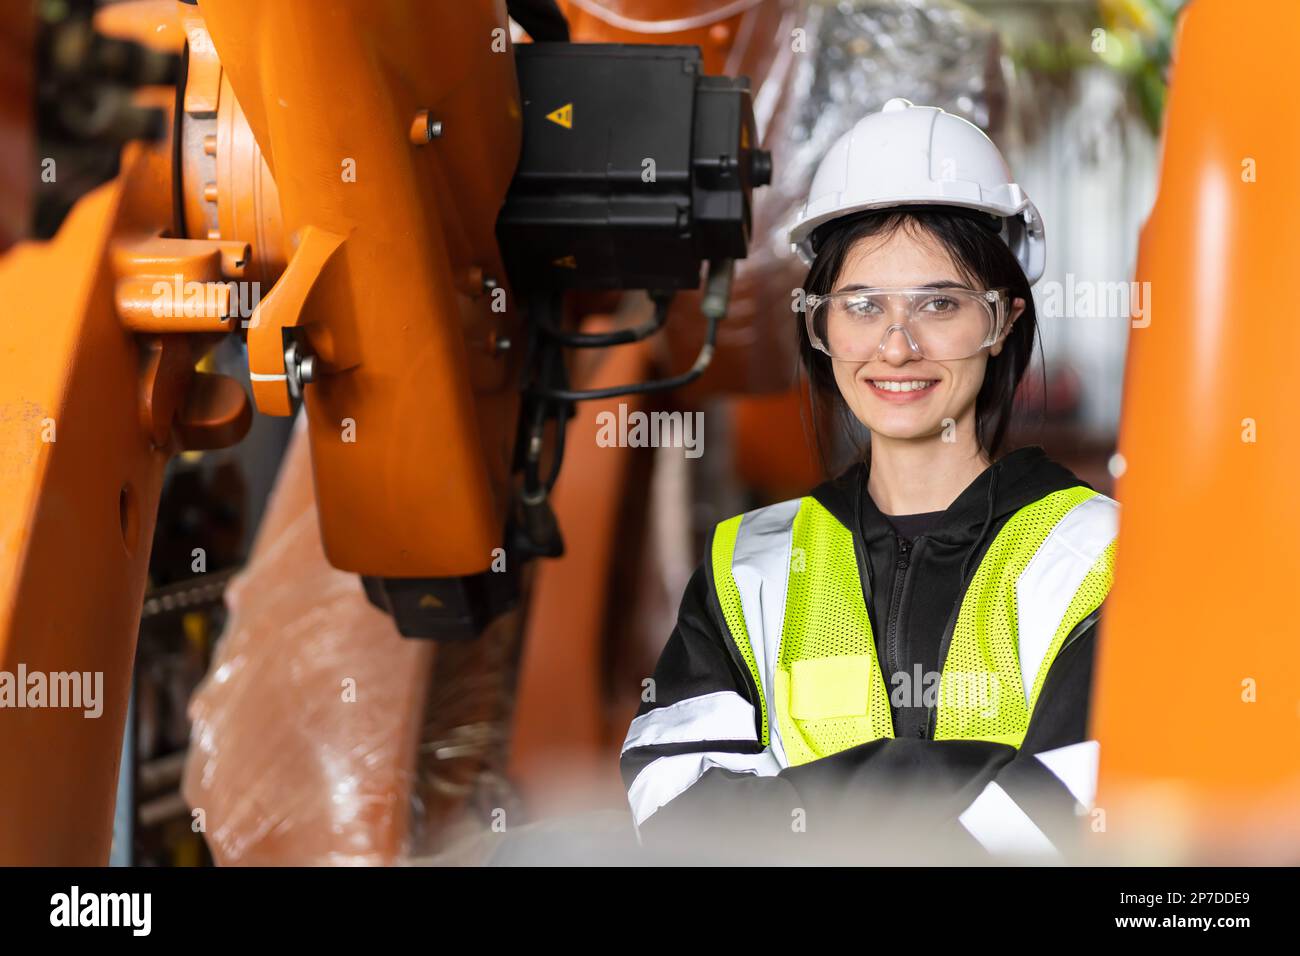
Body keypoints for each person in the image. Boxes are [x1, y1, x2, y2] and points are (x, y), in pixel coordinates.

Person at [619, 99, 1116, 861]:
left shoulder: (1099, 556)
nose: (896, 346)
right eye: (861, 306)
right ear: (821, 329)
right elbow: (675, 806)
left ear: (1004, 320)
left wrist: (798, 808)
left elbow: (1078, 807)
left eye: (939, 305)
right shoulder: (745, 564)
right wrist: (959, 783)